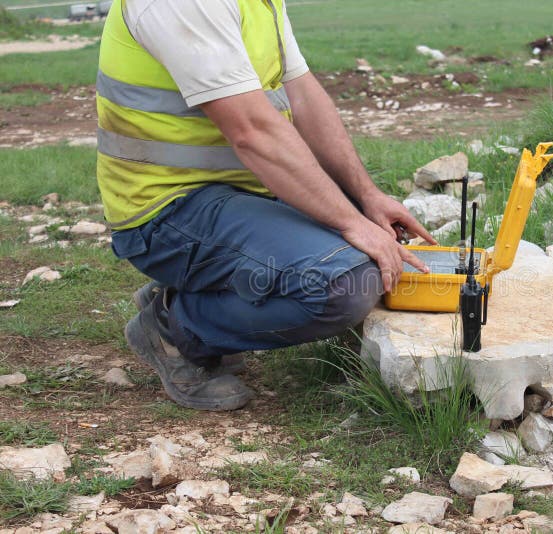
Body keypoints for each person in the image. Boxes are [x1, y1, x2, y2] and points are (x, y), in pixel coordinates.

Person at [95, 0, 435, 411]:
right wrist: (351, 223)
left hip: (242, 193)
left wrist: (367, 197)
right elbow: (253, 131)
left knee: (375, 235)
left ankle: (211, 284)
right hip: (167, 210)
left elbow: (302, 96)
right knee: (345, 284)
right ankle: (175, 327)